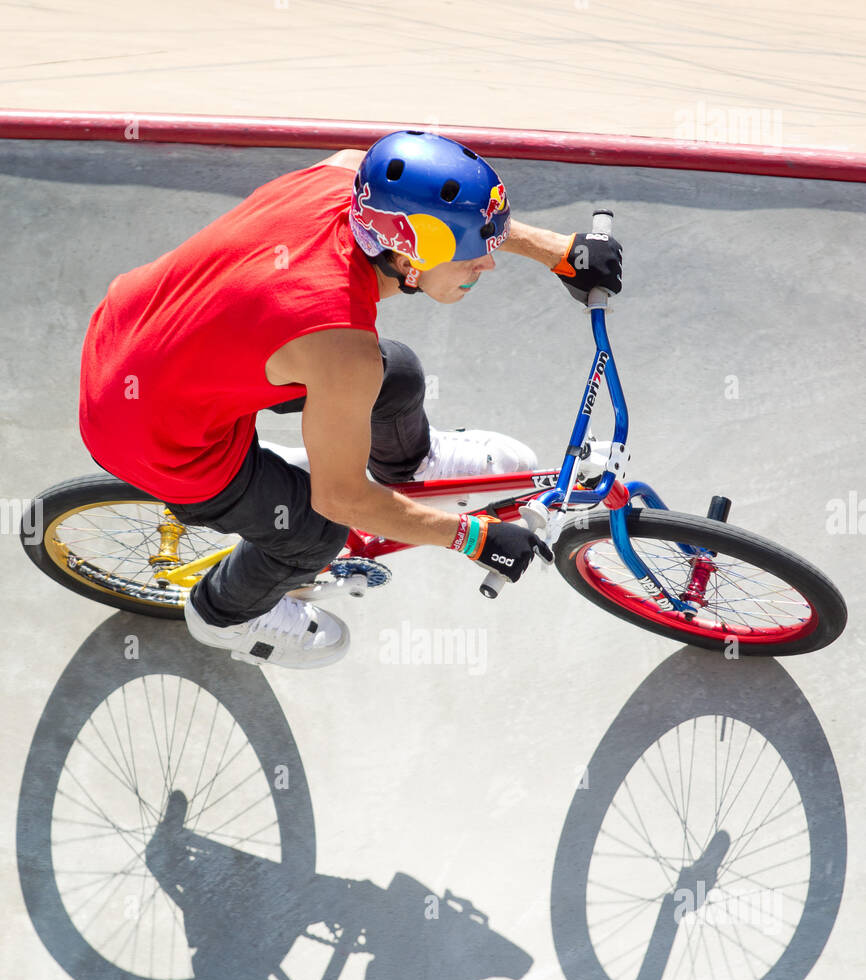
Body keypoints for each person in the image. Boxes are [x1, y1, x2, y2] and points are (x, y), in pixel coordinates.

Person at [79, 130, 622, 669]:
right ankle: (225, 616)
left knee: (398, 373)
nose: (488, 265)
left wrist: (556, 250)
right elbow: (340, 500)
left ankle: (405, 468)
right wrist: (474, 538)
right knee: (313, 533)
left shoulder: (345, 181)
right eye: (472, 256)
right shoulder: (340, 344)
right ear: (411, 256)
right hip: (151, 434)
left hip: (137, 331)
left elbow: (426, 196)